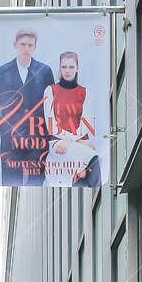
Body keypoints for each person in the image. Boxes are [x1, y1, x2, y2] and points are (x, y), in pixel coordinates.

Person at [0, 28, 53, 185]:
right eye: (23, 44)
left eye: (30, 45)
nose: (26, 49)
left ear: (35, 47)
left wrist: (48, 135)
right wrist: (2, 131)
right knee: (10, 182)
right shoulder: (2, 72)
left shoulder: (44, 71)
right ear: (15, 45)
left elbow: (51, 104)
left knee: (36, 183)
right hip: (11, 141)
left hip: (38, 140)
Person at [43, 52, 101, 188]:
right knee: (91, 159)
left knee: (90, 165)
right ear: (60, 68)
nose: (67, 71)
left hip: (79, 139)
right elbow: (50, 123)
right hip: (57, 141)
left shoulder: (85, 92)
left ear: (77, 68)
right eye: (64, 67)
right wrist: (65, 140)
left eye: (71, 67)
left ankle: (93, 195)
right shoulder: (50, 90)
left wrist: (69, 140)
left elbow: (86, 123)